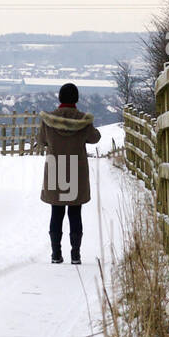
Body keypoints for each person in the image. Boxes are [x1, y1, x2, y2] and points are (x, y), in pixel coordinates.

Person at [37, 82, 102, 264]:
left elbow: (41, 140)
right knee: (75, 212)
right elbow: (95, 138)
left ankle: (56, 254)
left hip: (55, 166)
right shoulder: (83, 121)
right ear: (76, 99)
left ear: (59, 98)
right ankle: (76, 254)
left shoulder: (48, 120)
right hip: (77, 168)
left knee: (56, 212)